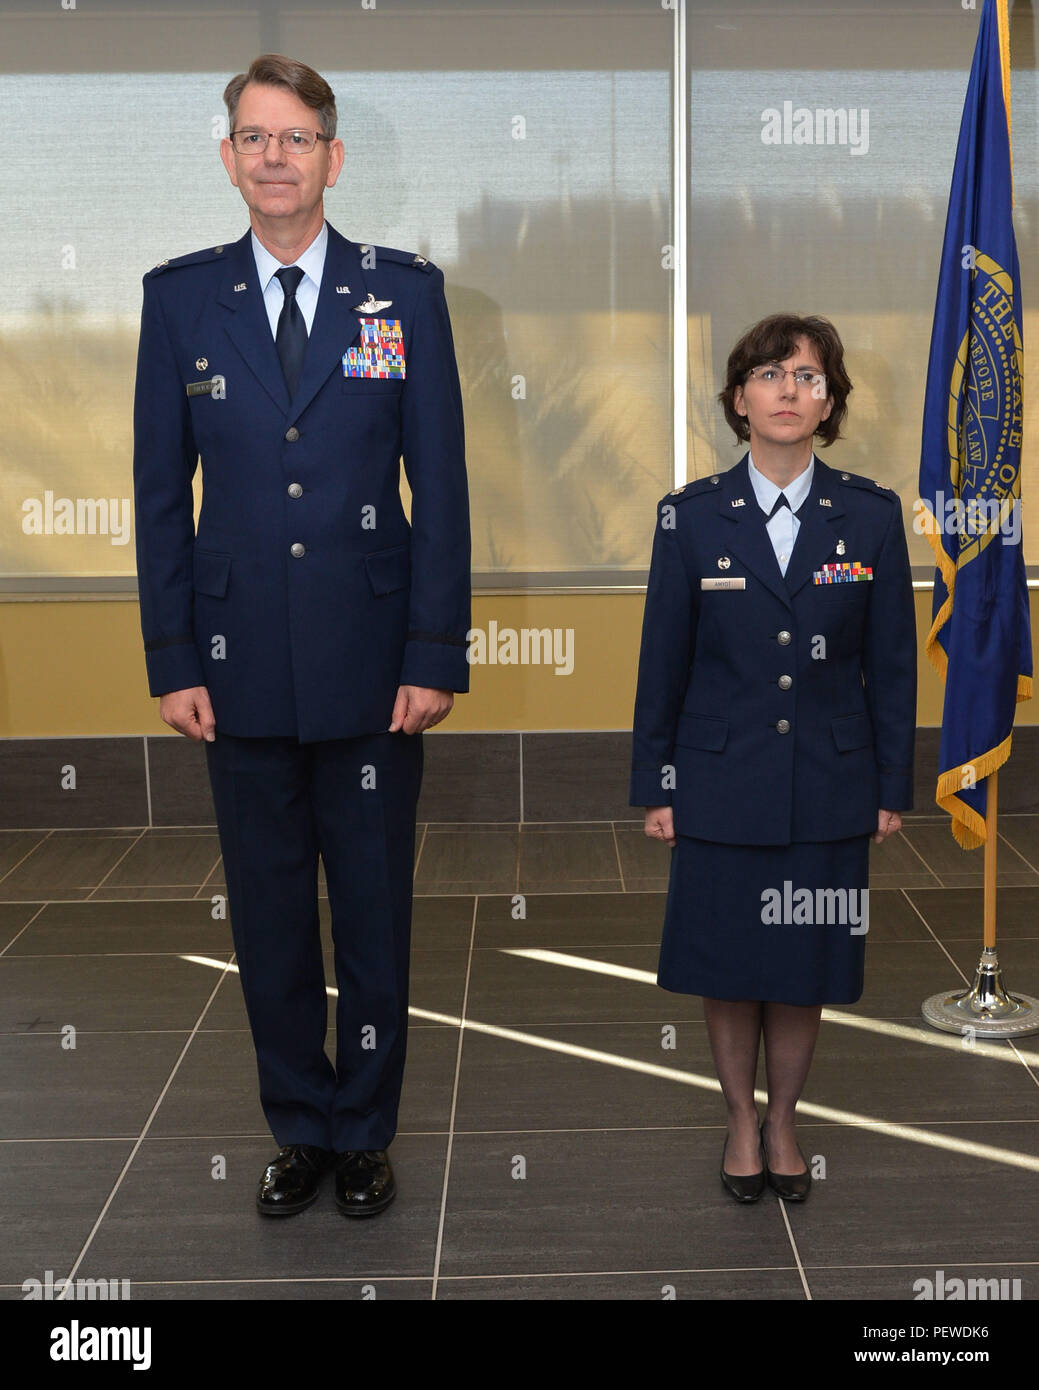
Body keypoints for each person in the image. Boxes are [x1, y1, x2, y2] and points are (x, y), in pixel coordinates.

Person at [132, 54, 470, 1218]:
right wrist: (172, 659)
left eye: (297, 137)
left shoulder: (404, 292)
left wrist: (434, 650)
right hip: (234, 672)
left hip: (375, 667)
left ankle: (366, 1128)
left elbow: (443, 487)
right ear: (227, 158)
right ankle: (300, 1128)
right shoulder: (179, 299)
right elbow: (156, 497)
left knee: (373, 911)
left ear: (333, 156)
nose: (276, 157)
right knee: (270, 917)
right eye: (254, 137)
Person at [629, 314, 916, 1203]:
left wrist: (886, 786)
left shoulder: (868, 516)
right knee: (728, 965)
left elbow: (894, 666)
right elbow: (661, 663)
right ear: (738, 397)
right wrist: (657, 784)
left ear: (829, 402)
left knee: (801, 967)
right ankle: (738, 1121)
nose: (788, 391)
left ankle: (784, 1119)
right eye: (769, 374)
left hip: (829, 783)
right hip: (717, 781)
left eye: (808, 377)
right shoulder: (687, 517)